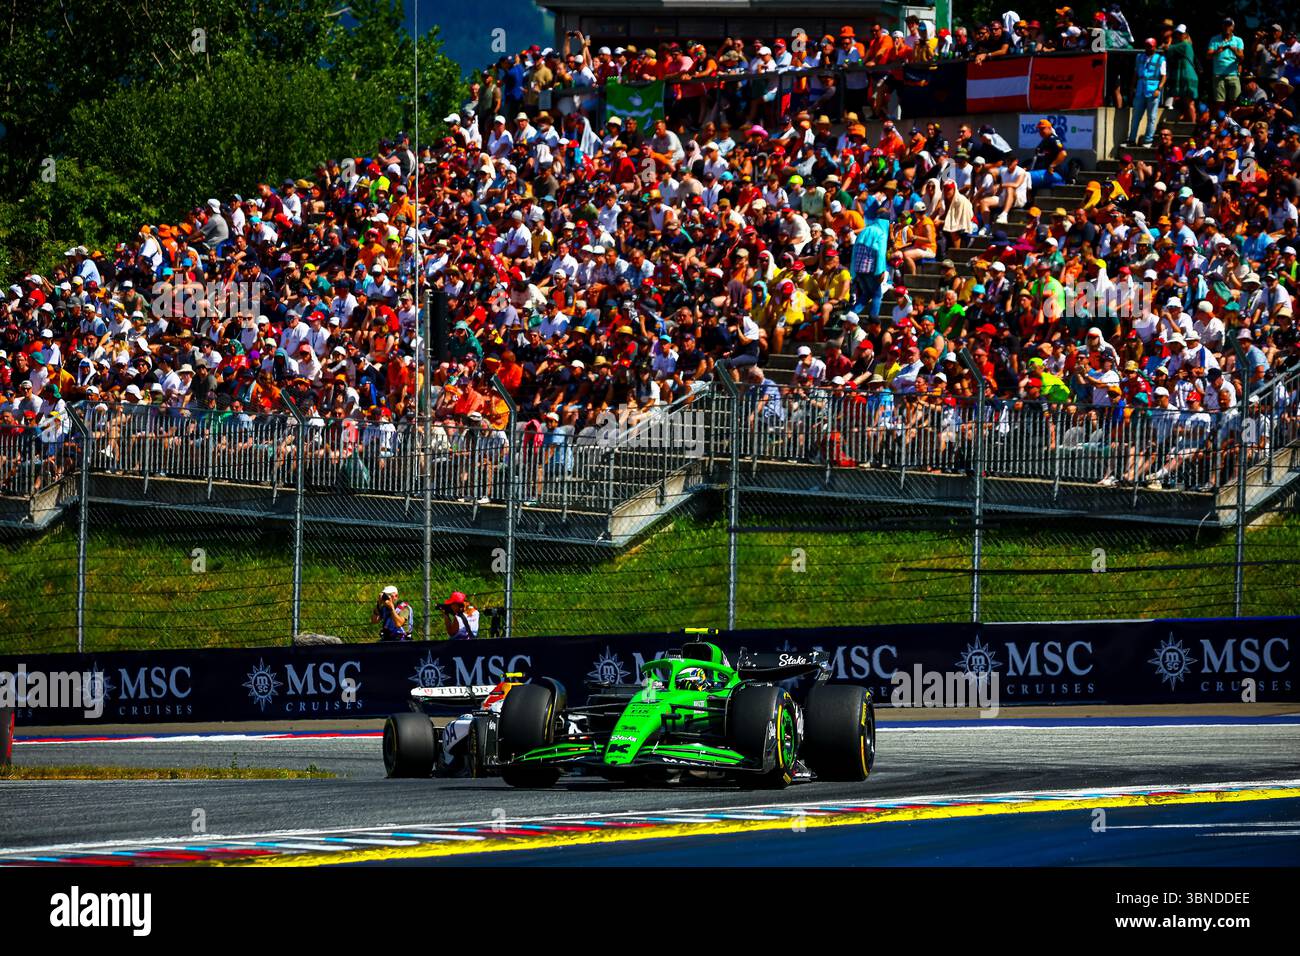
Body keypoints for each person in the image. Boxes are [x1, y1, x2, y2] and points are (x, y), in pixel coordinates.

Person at [1127, 38, 1166, 147]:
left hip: (1153, 90)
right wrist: (1132, 87)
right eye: (1147, 46)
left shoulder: (1160, 59)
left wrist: (1159, 89)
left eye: (1150, 46)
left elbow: (1163, 76)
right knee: (1136, 116)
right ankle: (1131, 139)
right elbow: (1135, 73)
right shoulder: (1139, 57)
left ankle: (1148, 140)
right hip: (1140, 88)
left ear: (1154, 47)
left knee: (1152, 117)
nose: (1148, 48)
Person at [1207, 18, 1244, 112]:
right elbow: (1208, 56)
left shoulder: (1238, 40)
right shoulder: (1214, 39)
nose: (1227, 27)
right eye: (1225, 25)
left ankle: (1232, 121)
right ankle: (1220, 121)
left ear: (1233, 27)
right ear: (1222, 26)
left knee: (1235, 102)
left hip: (1233, 74)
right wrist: (1217, 51)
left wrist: (1234, 50)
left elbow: (1242, 58)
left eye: (1229, 25)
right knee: (1219, 102)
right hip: (1218, 74)